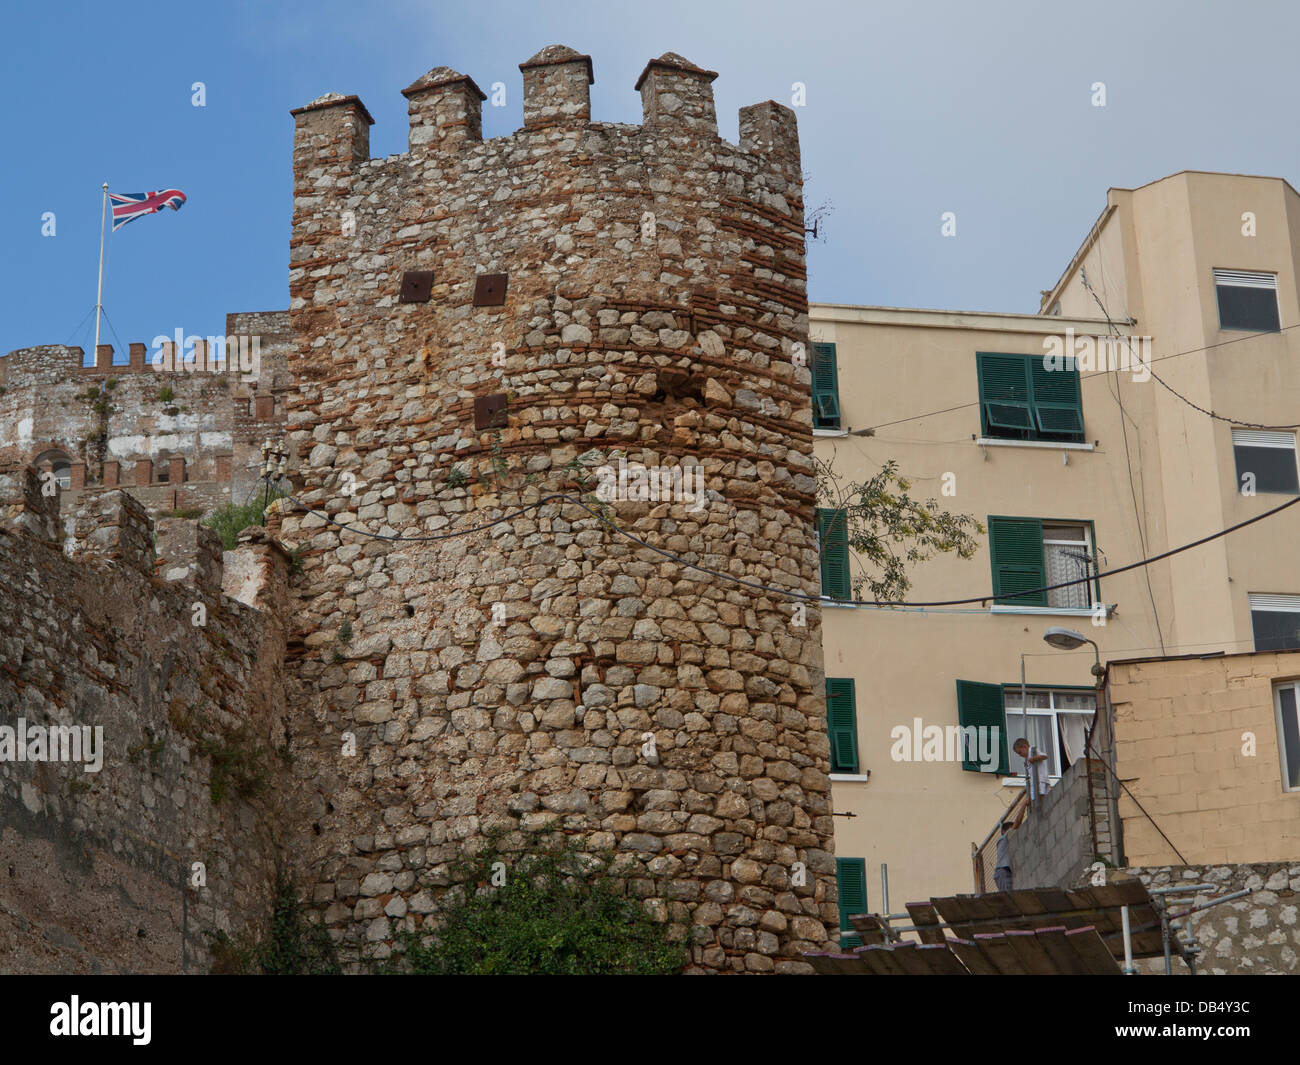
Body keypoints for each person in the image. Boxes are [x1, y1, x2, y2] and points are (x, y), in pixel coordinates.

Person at [993, 820, 1014, 892]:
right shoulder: (1004, 838)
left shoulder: (1008, 843)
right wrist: (1023, 808)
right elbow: (1018, 823)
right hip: (1003, 871)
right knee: (1009, 896)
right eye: (1010, 830)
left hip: (1004, 872)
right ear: (1003, 831)